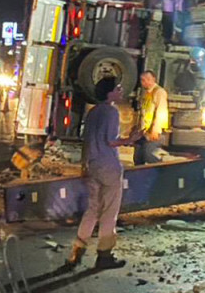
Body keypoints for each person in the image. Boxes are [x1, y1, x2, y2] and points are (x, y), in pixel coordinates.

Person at [67, 75, 139, 269]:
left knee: (92, 210)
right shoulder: (111, 112)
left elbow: (87, 141)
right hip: (108, 166)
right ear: (110, 93)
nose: (121, 91)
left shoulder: (93, 112)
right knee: (109, 211)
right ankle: (104, 255)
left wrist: (84, 165)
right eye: (118, 88)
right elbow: (110, 141)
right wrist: (130, 139)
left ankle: (77, 252)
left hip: (92, 166)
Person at [134, 69, 170, 165]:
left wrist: (156, 129)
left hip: (153, 132)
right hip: (144, 131)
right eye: (143, 80)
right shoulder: (146, 94)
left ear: (154, 79)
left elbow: (161, 110)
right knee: (138, 157)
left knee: (151, 156)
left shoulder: (159, 92)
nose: (145, 82)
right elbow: (143, 112)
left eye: (148, 79)